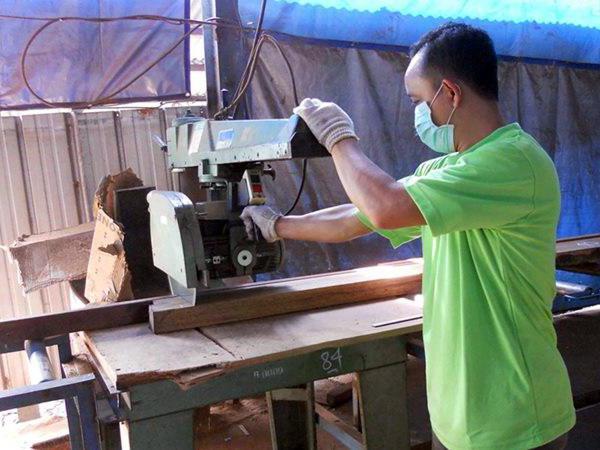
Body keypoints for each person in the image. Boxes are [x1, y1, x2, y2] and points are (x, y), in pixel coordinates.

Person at [241, 23, 575, 450]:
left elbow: (384, 203)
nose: (417, 114)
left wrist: (339, 139)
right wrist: (277, 225)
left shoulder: (513, 161)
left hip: (516, 419)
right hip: (459, 415)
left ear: (451, 94)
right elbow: (357, 216)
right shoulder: (451, 169)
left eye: (419, 100)